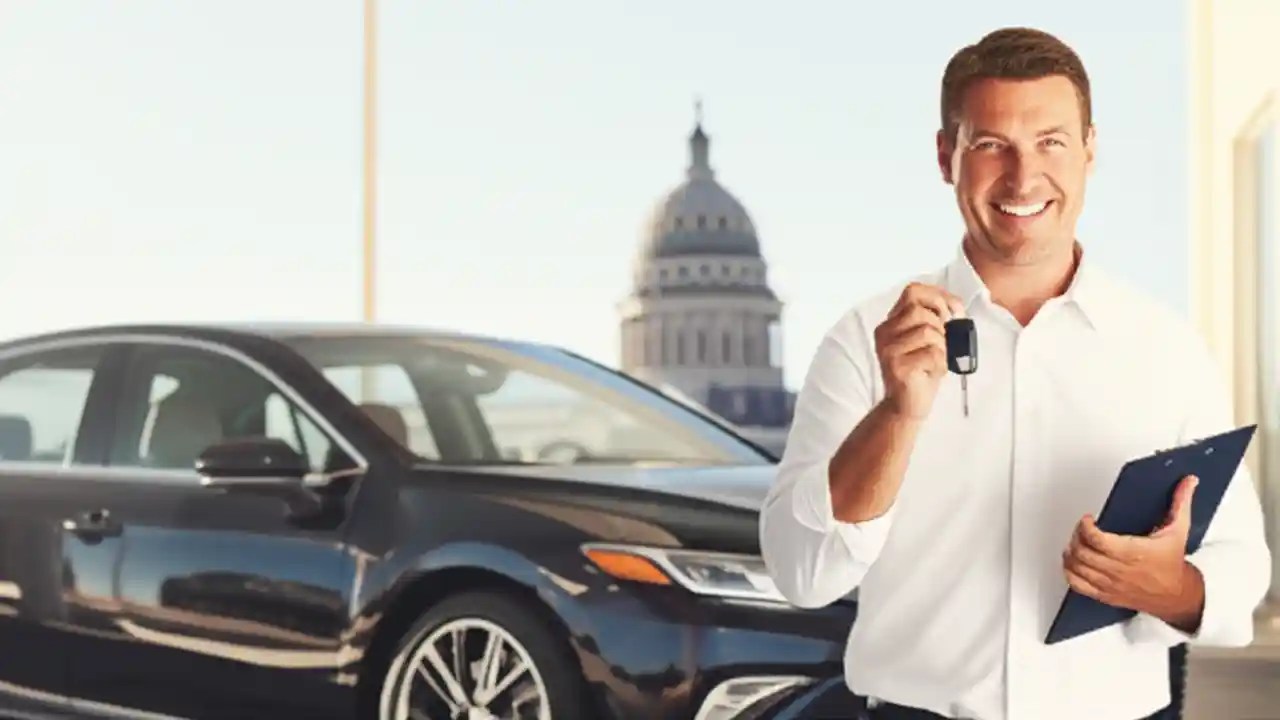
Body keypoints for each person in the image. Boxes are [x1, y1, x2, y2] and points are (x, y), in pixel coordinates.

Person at [759, 26, 1272, 720]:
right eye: (991, 145)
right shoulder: (863, 341)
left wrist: (1170, 587)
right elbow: (800, 572)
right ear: (947, 157)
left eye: (1051, 142)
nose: (1023, 178)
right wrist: (897, 415)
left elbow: (1241, 565)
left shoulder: (1163, 346)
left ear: (1090, 151)